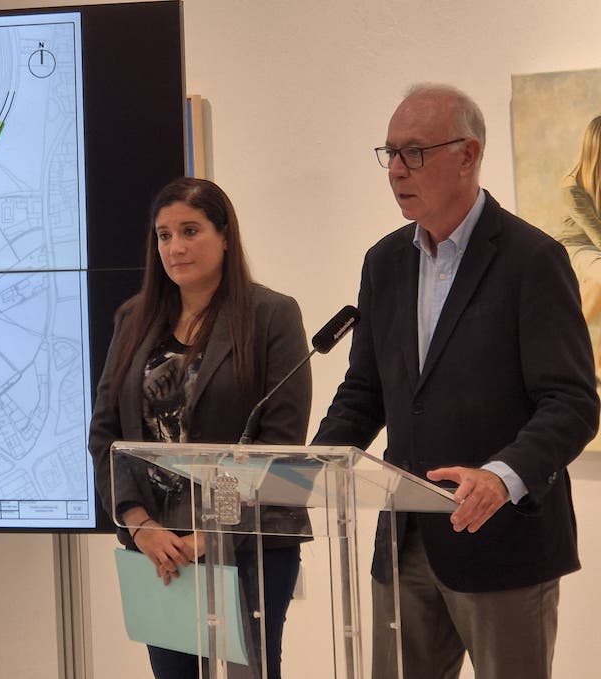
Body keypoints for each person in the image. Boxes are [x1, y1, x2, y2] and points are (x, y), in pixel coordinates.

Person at [312, 83, 600, 679]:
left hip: (502, 542)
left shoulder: (532, 259)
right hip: (406, 541)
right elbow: (365, 392)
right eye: (388, 153)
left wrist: (501, 477)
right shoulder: (384, 262)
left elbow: (571, 403)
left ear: (467, 155)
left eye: (413, 152)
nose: (394, 170)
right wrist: (314, 462)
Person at [88, 177, 312, 679]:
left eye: (190, 230)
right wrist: (139, 524)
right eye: (164, 235)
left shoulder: (271, 315)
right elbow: (106, 435)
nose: (176, 247)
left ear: (226, 235)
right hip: (157, 547)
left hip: (246, 545)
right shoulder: (132, 318)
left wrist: (208, 536)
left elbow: (276, 442)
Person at [554, 114, 601, 384]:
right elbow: (595, 234)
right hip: (576, 245)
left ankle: (594, 365)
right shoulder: (572, 186)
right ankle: (566, 344)